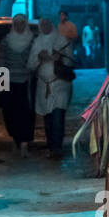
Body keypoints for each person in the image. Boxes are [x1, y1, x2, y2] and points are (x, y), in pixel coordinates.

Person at [27, 17, 74, 161]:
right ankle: (51, 146)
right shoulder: (37, 42)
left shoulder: (61, 40)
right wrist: (39, 58)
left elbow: (70, 60)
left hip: (60, 85)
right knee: (48, 117)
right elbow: (30, 64)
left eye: (48, 23)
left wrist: (59, 57)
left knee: (58, 115)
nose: (46, 26)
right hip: (44, 86)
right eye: (43, 24)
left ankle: (57, 148)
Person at [0, 15, 35, 156]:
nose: (19, 26)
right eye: (17, 23)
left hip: (26, 82)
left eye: (22, 23)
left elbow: (34, 61)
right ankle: (15, 140)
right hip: (9, 82)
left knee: (26, 113)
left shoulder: (32, 40)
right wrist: (0, 82)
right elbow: (1, 60)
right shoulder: (6, 41)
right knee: (10, 112)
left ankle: (24, 143)